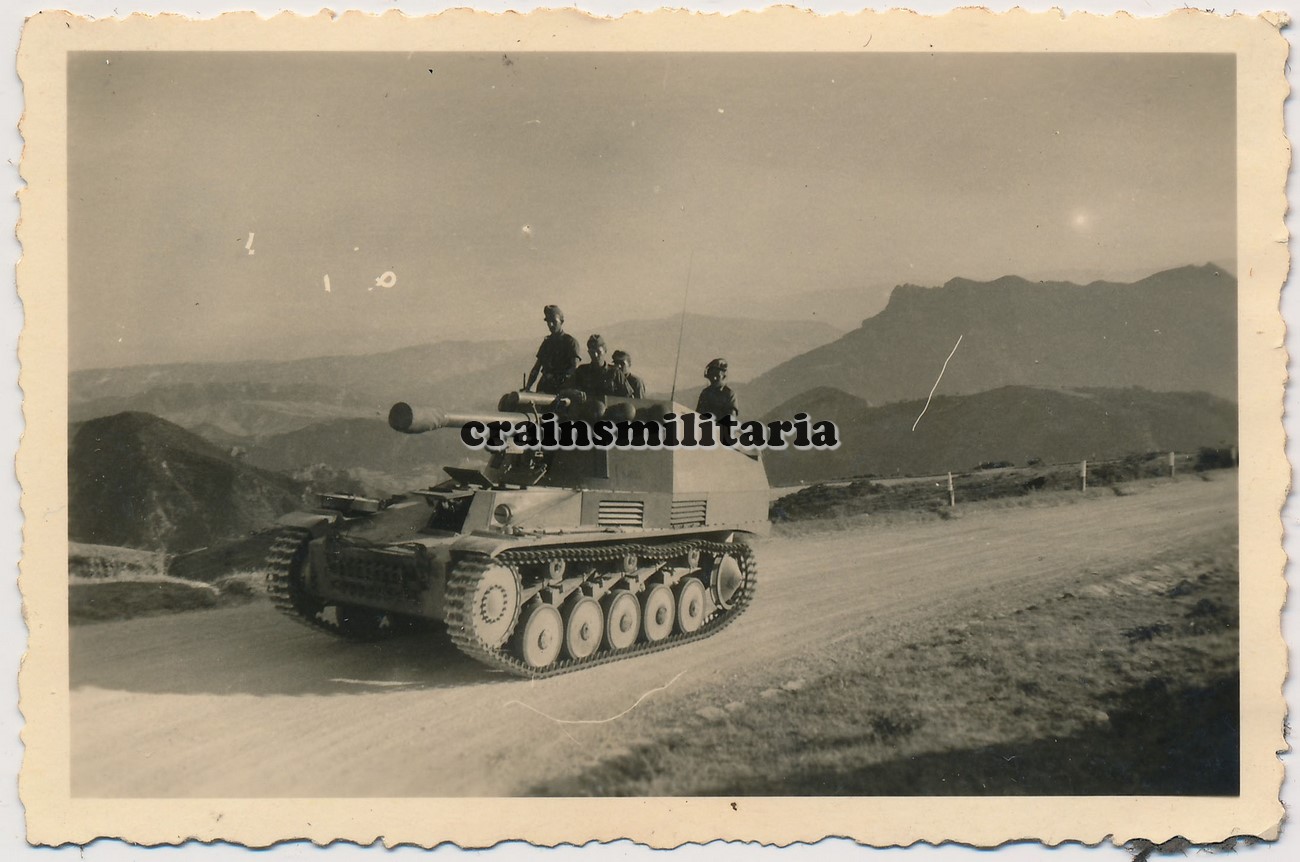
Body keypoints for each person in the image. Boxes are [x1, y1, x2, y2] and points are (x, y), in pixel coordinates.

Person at [525, 305, 581, 395]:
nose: (550, 325)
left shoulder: (570, 342)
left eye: (554, 321)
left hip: (563, 389)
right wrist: (527, 387)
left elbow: (574, 369)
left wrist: (564, 385)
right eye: (548, 322)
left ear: (561, 321)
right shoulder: (546, 343)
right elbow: (536, 367)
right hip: (545, 387)